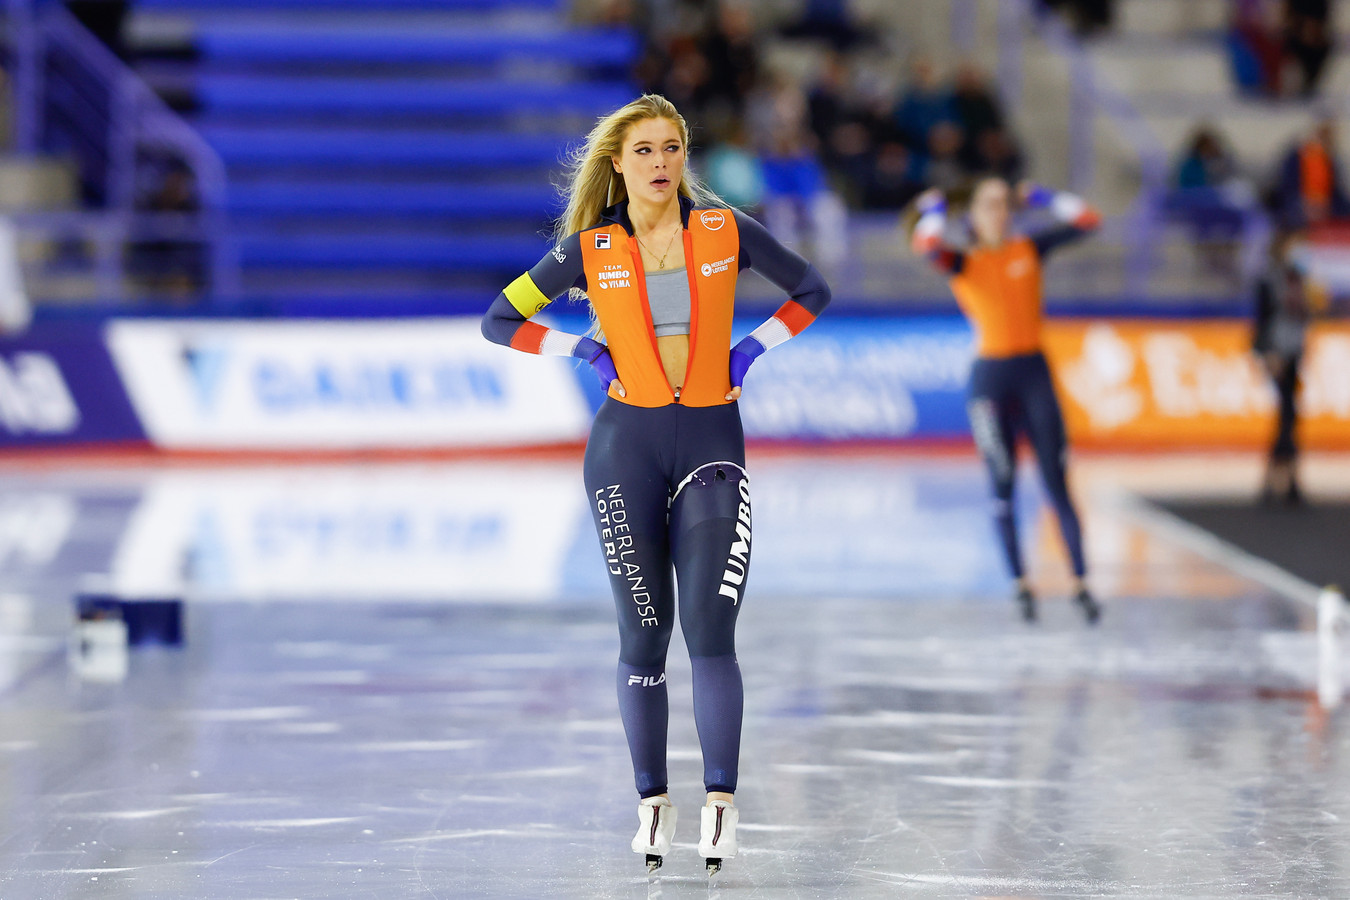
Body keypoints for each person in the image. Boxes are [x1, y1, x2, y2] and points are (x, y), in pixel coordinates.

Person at [481, 94, 831, 875]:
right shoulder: (591, 247)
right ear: (618, 163)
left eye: (672, 147)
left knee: (710, 634)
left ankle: (720, 806)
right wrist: (582, 351)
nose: (661, 162)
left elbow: (812, 291)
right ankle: (651, 803)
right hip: (623, 453)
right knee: (643, 639)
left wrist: (750, 350)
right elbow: (500, 320)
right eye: (644, 150)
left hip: (712, 445)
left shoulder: (725, 231)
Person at [907, 177, 1101, 624]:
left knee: (1056, 479)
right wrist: (935, 207)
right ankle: (1020, 584)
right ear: (974, 215)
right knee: (1003, 482)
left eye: (1003, 204)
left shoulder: (1029, 249)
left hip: (1034, 374)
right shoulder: (962, 261)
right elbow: (926, 244)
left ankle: (1080, 583)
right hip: (991, 381)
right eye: (989, 204)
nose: (999, 212)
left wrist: (1044, 197)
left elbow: (1089, 220)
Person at [1253, 230, 1320, 504]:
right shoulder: (1270, 279)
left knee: (1290, 415)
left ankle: (1282, 480)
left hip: (1294, 351)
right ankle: (1281, 479)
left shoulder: (1301, 280)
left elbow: (1307, 315)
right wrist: (1267, 352)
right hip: (1278, 352)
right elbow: (1262, 320)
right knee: (1287, 414)